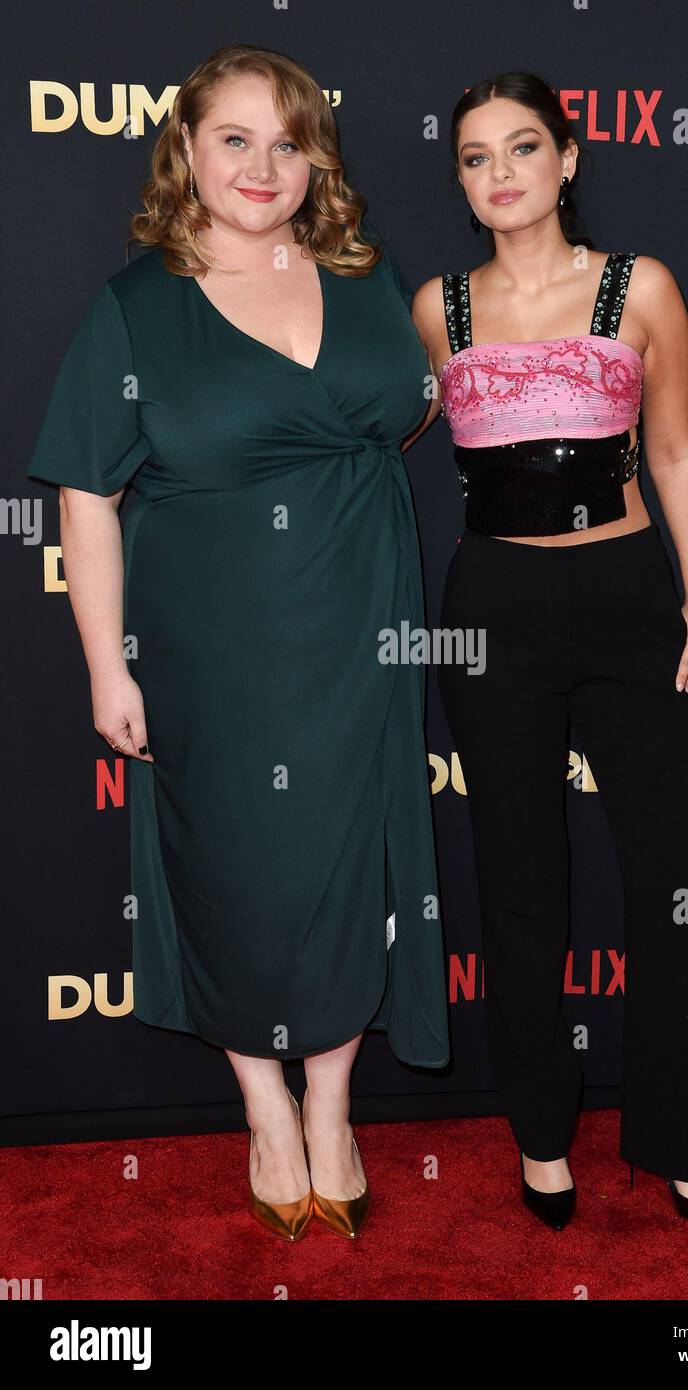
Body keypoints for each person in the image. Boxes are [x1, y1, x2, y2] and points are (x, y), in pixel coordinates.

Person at [26, 44, 449, 1243]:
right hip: (211, 644)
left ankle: (332, 1109)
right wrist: (108, 662)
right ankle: (263, 1109)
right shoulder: (137, 303)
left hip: (361, 630)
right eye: (234, 139)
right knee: (233, 871)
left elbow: (405, 415)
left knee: (348, 864)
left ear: (317, 157)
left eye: (288, 140)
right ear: (188, 154)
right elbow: (86, 495)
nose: (262, 165)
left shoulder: (368, 275)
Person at [410, 71, 688, 1231]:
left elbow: (671, 451)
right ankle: (541, 1139)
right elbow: (354, 435)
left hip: (621, 594)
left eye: (520, 148)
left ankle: (678, 1148)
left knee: (674, 880)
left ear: (567, 159)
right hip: (493, 600)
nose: (499, 173)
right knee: (519, 886)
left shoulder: (636, 287)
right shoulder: (435, 309)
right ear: (458, 180)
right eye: (474, 157)